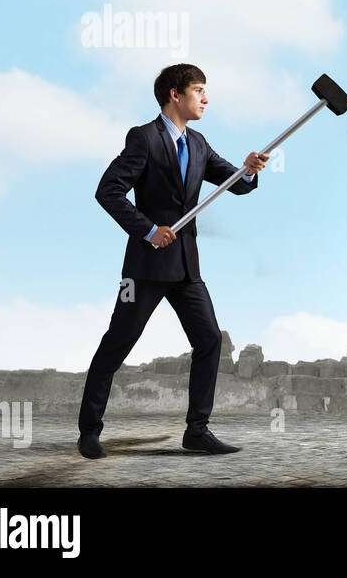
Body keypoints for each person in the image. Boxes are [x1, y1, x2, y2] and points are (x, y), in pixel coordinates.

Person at [77, 63, 269, 459]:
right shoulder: (143, 138)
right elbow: (108, 191)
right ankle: (89, 432)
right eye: (199, 90)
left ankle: (196, 431)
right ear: (175, 95)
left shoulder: (198, 144)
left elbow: (236, 184)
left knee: (210, 339)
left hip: (186, 268)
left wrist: (248, 172)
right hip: (145, 269)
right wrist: (148, 229)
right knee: (117, 345)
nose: (206, 99)